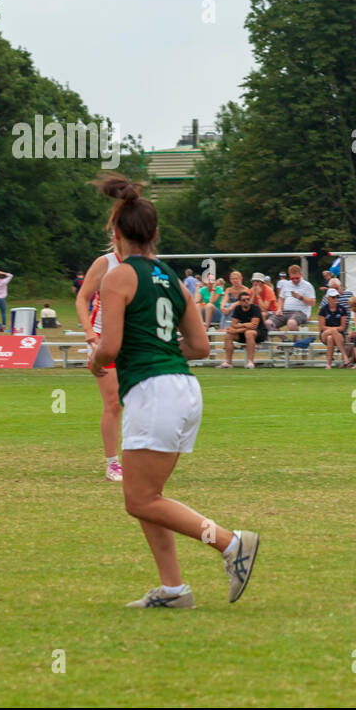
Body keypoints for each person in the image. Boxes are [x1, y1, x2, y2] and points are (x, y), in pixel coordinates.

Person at [88, 173, 258, 609]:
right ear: (155, 234)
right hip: (184, 388)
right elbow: (200, 346)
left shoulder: (118, 276)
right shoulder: (173, 279)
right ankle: (173, 589)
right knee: (148, 498)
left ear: (118, 234)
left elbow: (110, 347)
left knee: (140, 498)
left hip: (153, 391)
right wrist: (161, 349)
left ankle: (229, 542)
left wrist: (93, 361)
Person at [76, 244, 125, 481]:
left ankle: (140, 460)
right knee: (114, 403)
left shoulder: (145, 263)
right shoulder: (105, 262)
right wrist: (88, 332)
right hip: (103, 340)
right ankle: (112, 464)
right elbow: (82, 298)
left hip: (133, 342)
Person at [221, 291, 263, 369]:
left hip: (259, 332)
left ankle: (250, 362)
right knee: (228, 334)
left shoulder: (255, 308)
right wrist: (244, 324)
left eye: (248, 299)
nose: (247, 301)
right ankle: (228, 362)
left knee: (249, 333)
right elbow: (234, 324)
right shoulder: (237, 308)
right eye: (244, 300)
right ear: (239, 302)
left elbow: (253, 326)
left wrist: (236, 330)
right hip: (244, 332)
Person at [272, 265, 316, 331]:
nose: (295, 280)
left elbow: (313, 303)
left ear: (301, 274)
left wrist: (301, 297)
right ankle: (285, 340)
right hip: (286, 312)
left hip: (300, 312)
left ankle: (296, 340)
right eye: (292, 278)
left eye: (297, 278)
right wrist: (279, 309)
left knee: (291, 323)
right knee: (269, 324)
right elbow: (281, 298)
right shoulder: (286, 284)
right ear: (289, 276)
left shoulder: (307, 285)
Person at [318, 292, 349, 368]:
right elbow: (322, 327)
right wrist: (333, 329)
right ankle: (344, 356)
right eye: (333, 297)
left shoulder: (342, 309)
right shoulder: (323, 309)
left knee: (330, 338)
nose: (336, 299)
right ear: (328, 298)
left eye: (337, 297)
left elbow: (342, 327)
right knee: (331, 333)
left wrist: (333, 330)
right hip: (324, 334)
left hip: (339, 335)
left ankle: (328, 364)